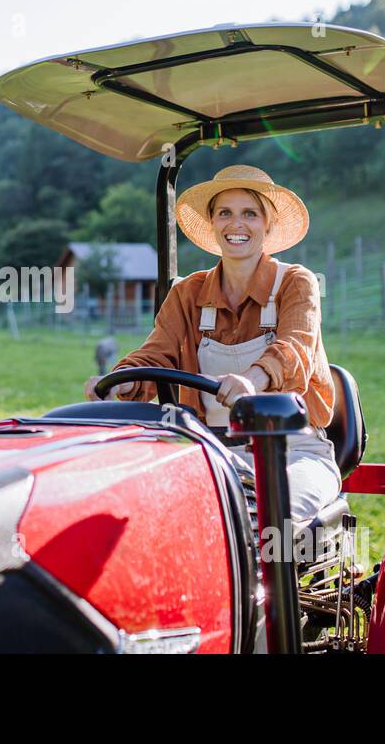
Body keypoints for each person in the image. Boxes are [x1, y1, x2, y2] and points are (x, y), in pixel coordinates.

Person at [82, 164, 339, 521]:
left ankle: (268, 572)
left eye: (250, 213)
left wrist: (253, 379)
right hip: (211, 450)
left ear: (268, 224)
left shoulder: (295, 283)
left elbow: (296, 348)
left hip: (292, 451)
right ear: (214, 224)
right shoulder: (187, 293)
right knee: (145, 511)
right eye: (225, 213)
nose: (237, 224)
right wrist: (119, 380)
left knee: (266, 516)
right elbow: (155, 354)